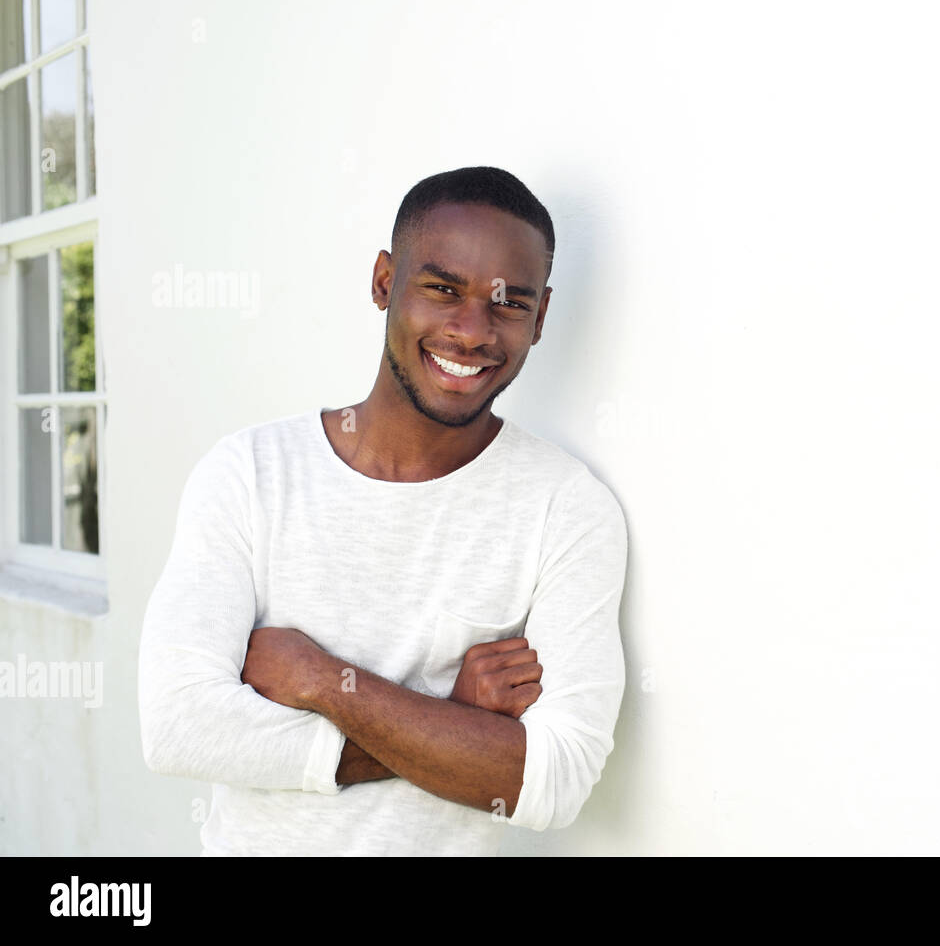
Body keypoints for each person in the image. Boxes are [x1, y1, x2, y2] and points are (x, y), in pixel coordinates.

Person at [137, 166, 628, 855]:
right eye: (442, 289)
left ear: (540, 317)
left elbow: (554, 782)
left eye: (508, 303)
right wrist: (452, 721)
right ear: (382, 282)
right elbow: (179, 725)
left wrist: (325, 684)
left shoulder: (567, 508)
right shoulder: (249, 473)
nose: (471, 330)